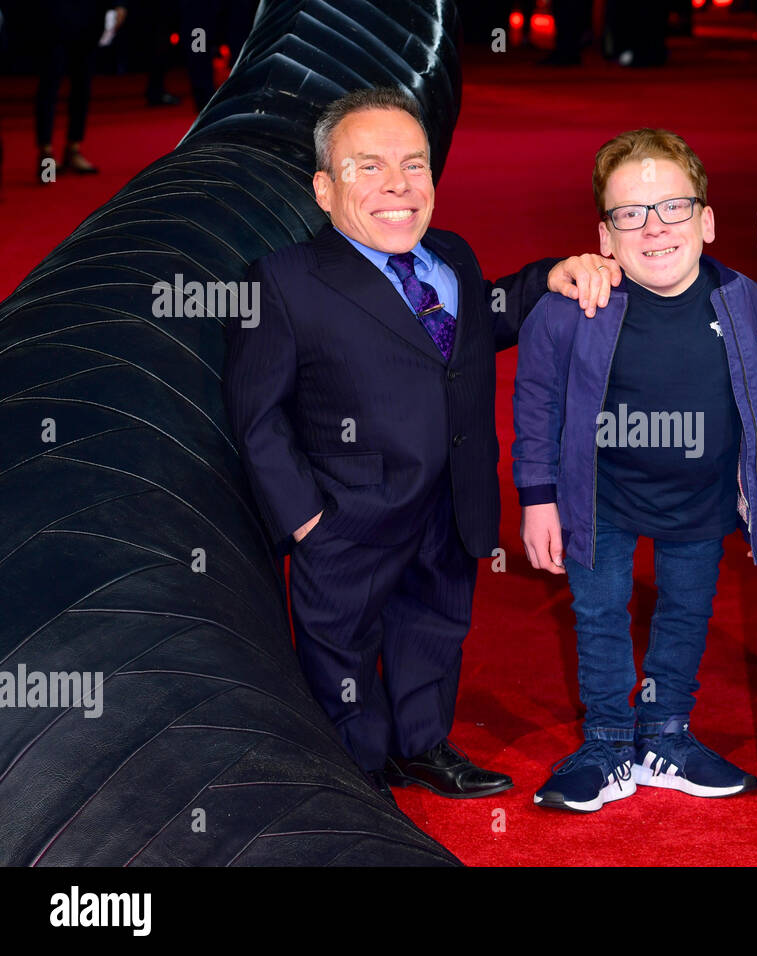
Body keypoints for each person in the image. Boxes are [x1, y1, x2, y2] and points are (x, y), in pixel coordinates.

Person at [223, 87, 617, 802]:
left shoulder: (451, 257)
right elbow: (258, 415)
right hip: (347, 513)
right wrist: (305, 519)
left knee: (434, 626)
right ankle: (356, 771)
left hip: (452, 494)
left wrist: (546, 278)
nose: (398, 185)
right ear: (324, 188)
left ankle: (422, 744)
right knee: (342, 645)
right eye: (368, 167)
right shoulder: (283, 281)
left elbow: (479, 321)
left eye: (414, 165)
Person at [513, 128, 757, 812]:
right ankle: (605, 742)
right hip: (602, 495)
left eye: (673, 208)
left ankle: (665, 736)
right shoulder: (570, 309)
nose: (654, 227)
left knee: (687, 609)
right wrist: (538, 498)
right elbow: (536, 403)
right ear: (605, 236)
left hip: (702, 495)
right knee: (599, 612)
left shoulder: (746, 302)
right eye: (630, 214)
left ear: (707, 221)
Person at [34, 1, 127, 181]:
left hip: (89, 16)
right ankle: (46, 153)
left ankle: (74, 148)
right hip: (54, 15)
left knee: (82, 84)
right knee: (50, 83)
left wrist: (119, 4)